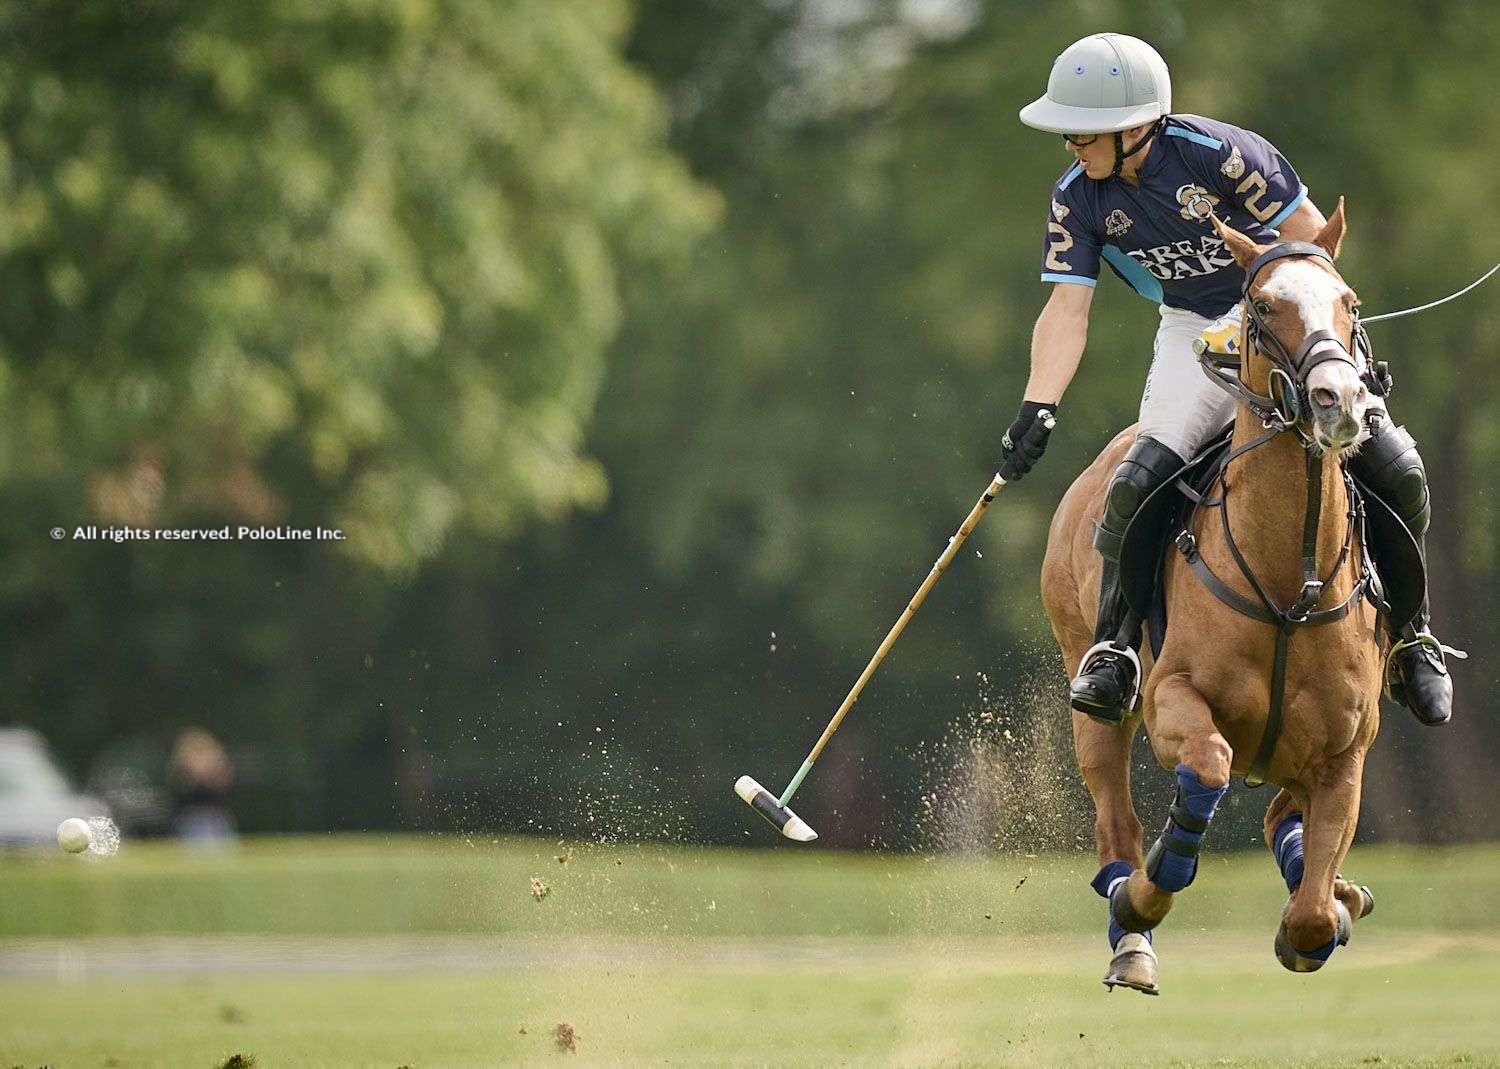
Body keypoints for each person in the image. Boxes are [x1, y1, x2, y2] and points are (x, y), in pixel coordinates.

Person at [996, 32, 1456, 727]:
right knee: (1138, 477)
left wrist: (1300, 327)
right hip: (1191, 327)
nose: (1070, 144)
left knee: (1398, 466)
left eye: (1083, 131)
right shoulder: (1076, 200)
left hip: (1288, 315)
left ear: (1136, 125)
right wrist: (1039, 405)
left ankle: (1414, 640)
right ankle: (1117, 651)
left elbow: (1311, 244)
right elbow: (1067, 309)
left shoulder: (1221, 154)